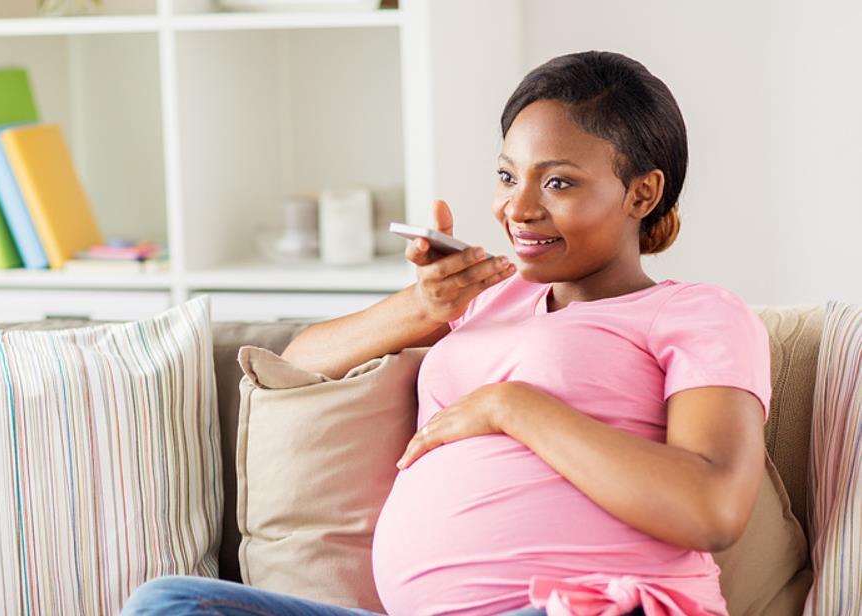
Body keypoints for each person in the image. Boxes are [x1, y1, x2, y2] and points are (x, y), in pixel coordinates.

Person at [121, 50, 770, 616]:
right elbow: (299, 363)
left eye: (558, 182)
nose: (517, 208)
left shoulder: (698, 313)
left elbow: (709, 509)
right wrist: (423, 306)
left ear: (641, 193)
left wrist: (509, 406)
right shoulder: (483, 300)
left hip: (591, 606)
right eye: (507, 175)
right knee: (173, 604)